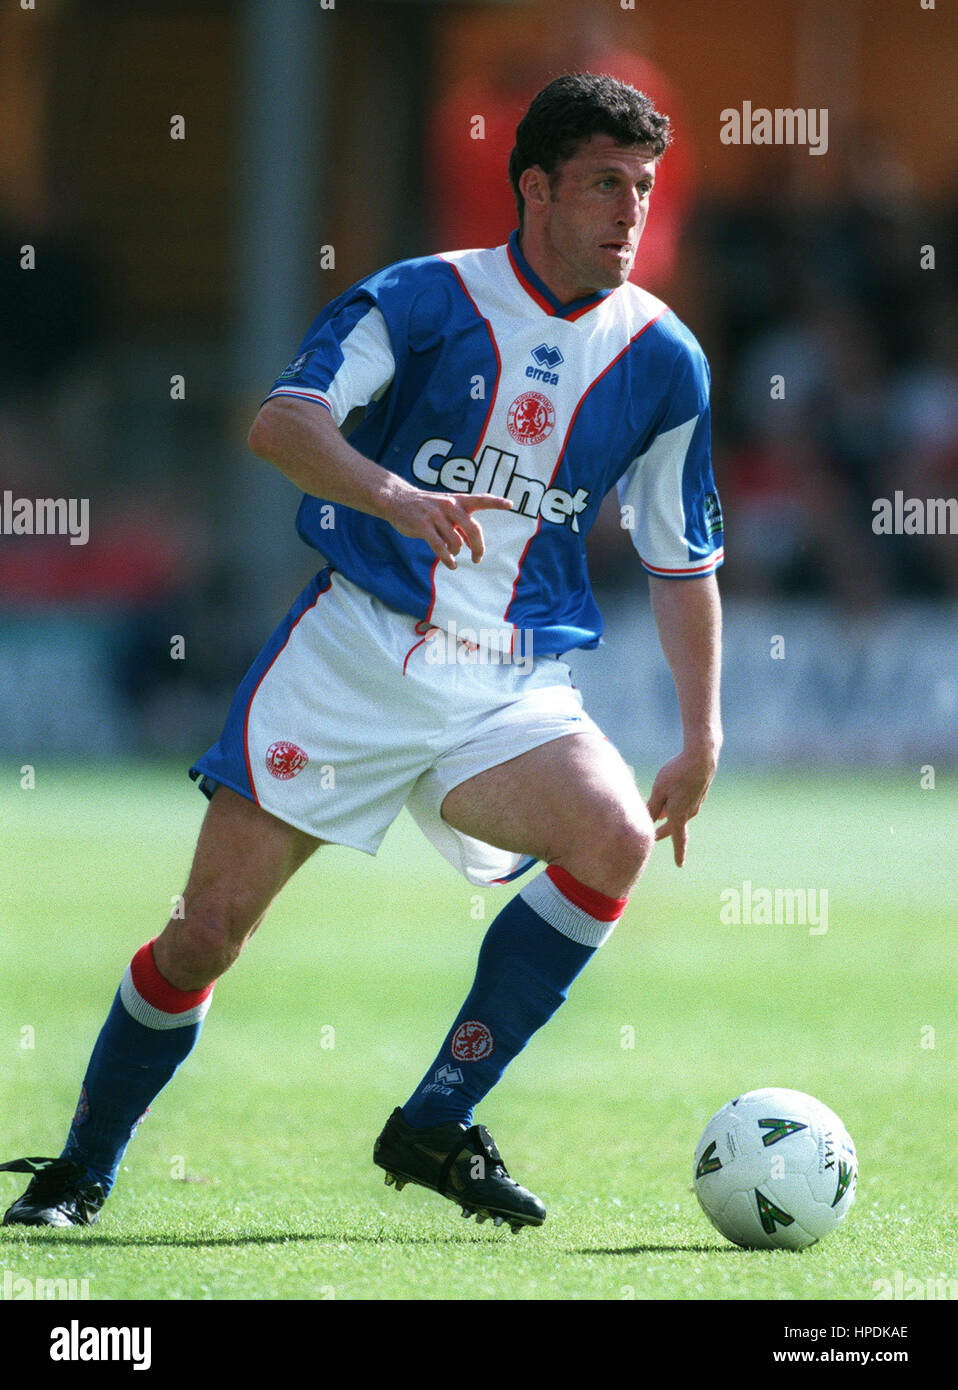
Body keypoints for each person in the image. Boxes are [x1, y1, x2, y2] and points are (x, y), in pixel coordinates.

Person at [2, 73, 724, 1234]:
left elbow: (681, 559)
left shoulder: (665, 361)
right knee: (205, 935)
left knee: (611, 835)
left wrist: (702, 733)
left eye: (641, 187)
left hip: (508, 681)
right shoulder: (422, 298)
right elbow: (281, 422)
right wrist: (396, 495)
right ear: (534, 187)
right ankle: (79, 1167)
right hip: (352, 657)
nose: (630, 210)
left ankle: (436, 1118)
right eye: (603, 184)